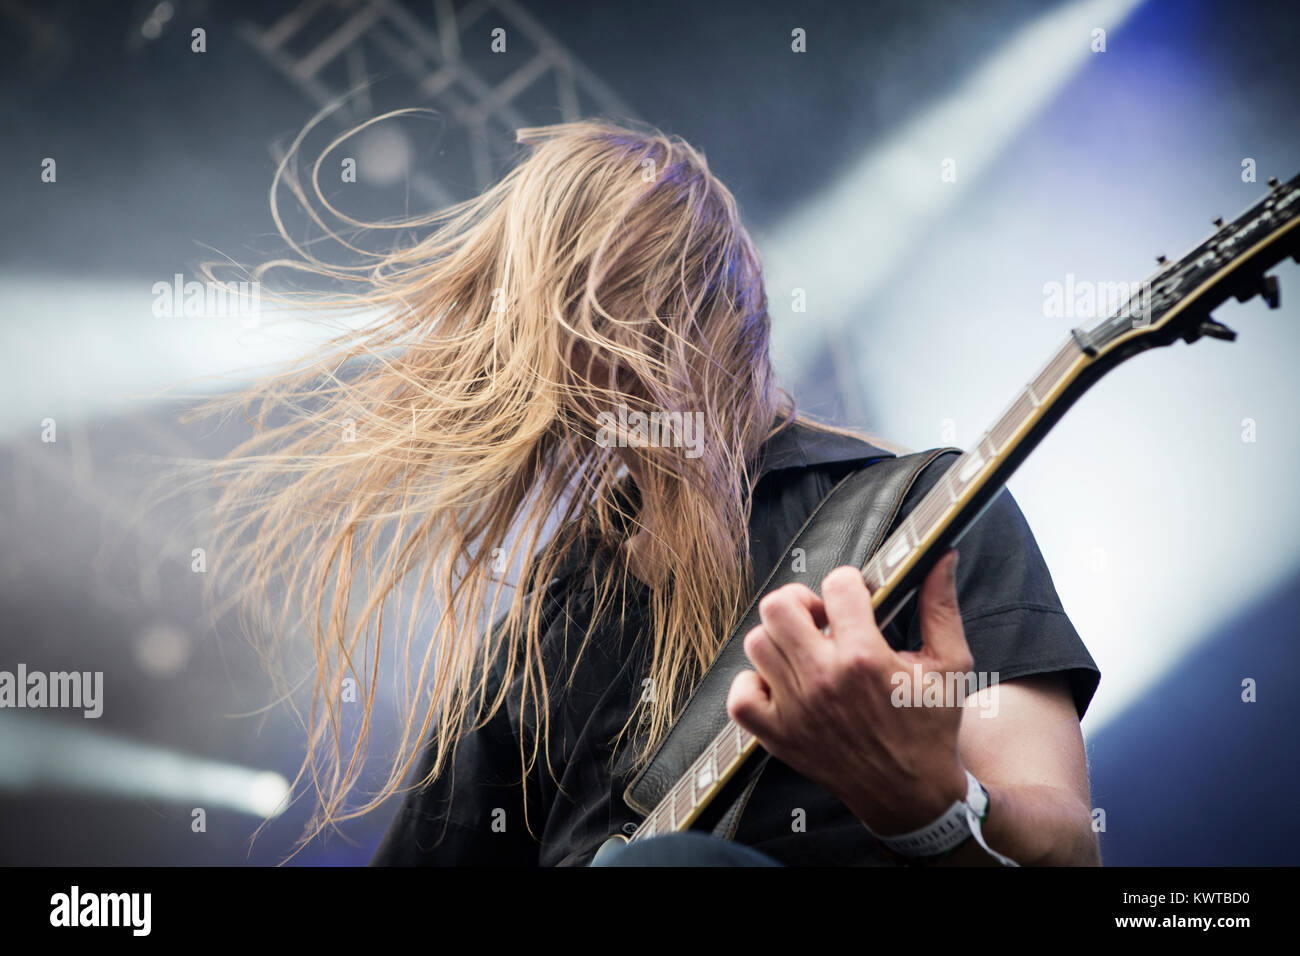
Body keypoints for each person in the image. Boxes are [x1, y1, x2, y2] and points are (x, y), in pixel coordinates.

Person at [212, 118, 1100, 866]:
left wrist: (940, 806)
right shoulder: (542, 628)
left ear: (719, 312)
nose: (596, 367)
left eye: (620, 309)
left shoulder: (917, 513)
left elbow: (1069, 844)